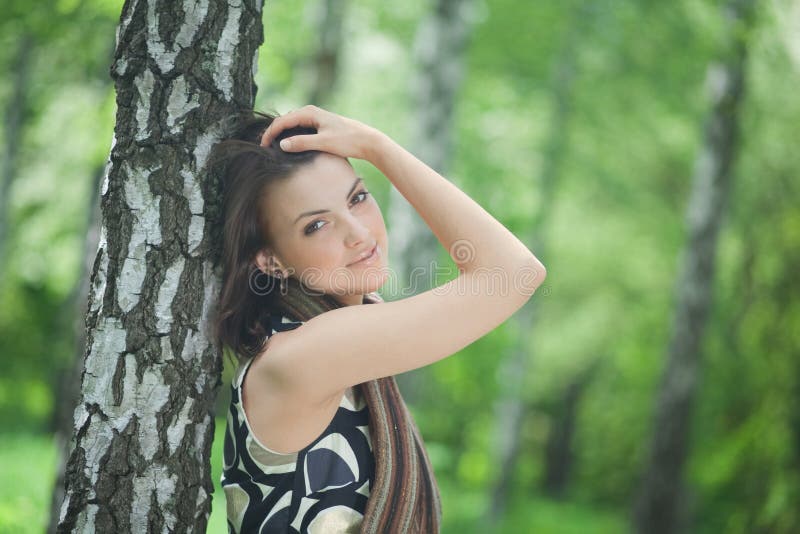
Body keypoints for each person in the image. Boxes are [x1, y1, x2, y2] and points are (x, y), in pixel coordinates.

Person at [212, 105, 546, 533]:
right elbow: (515, 273)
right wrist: (377, 146)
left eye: (358, 197)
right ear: (271, 260)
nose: (359, 232)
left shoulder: (343, 329)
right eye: (316, 225)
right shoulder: (301, 356)